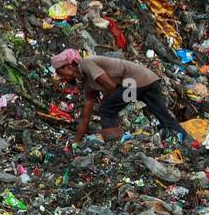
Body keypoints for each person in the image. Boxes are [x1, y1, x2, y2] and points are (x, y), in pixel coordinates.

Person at [51, 48, 186, 144]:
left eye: (60, 74)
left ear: (68, 66)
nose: (62, 78)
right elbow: (86, 117)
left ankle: (114, 141)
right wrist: (76, 142)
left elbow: (110, 86)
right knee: (163, 115)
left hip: (133, 82)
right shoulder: (88, 84)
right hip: (149, 79)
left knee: (106, 109)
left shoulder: (86, 64)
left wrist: (104, 102)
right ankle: (185, 141)